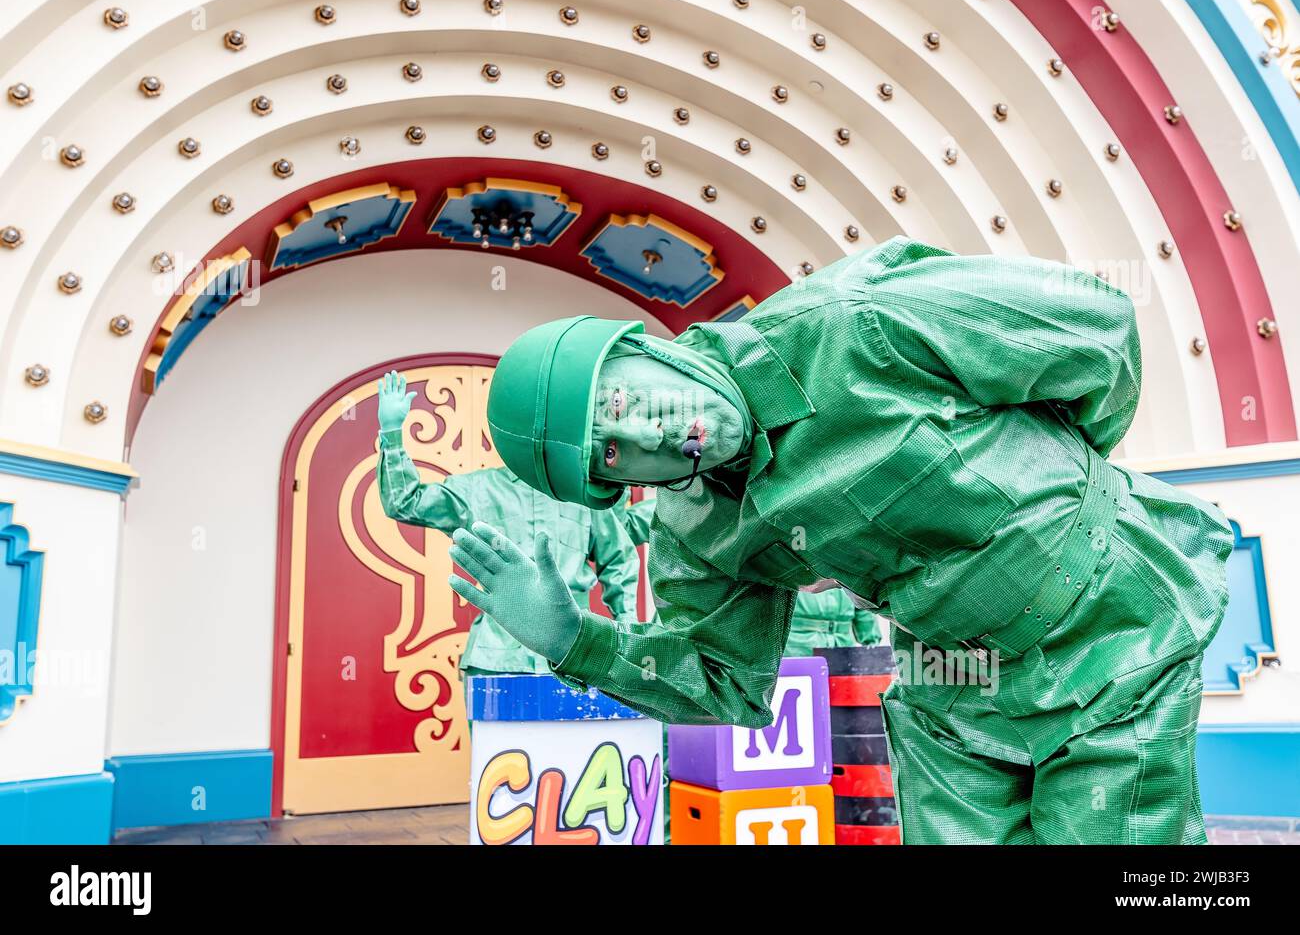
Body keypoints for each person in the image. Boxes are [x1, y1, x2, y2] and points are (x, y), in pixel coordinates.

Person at [447, 237, 1232, 844]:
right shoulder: (696, 524)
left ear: (645, 346)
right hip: (951, 686)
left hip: (1109, 631)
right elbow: (726, 683)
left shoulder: (856, 321)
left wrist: (1071, 505)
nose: (641, 427)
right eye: (611, 452)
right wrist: (571, 637)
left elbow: (1096, 328)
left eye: (618, 396)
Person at [374, 371, 641, 682]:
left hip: (576, 656)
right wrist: (391, 434)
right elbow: (405, 502)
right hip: (496, 658)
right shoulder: (476, 489)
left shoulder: (582, 492)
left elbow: (618, 560)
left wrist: (628, 633)